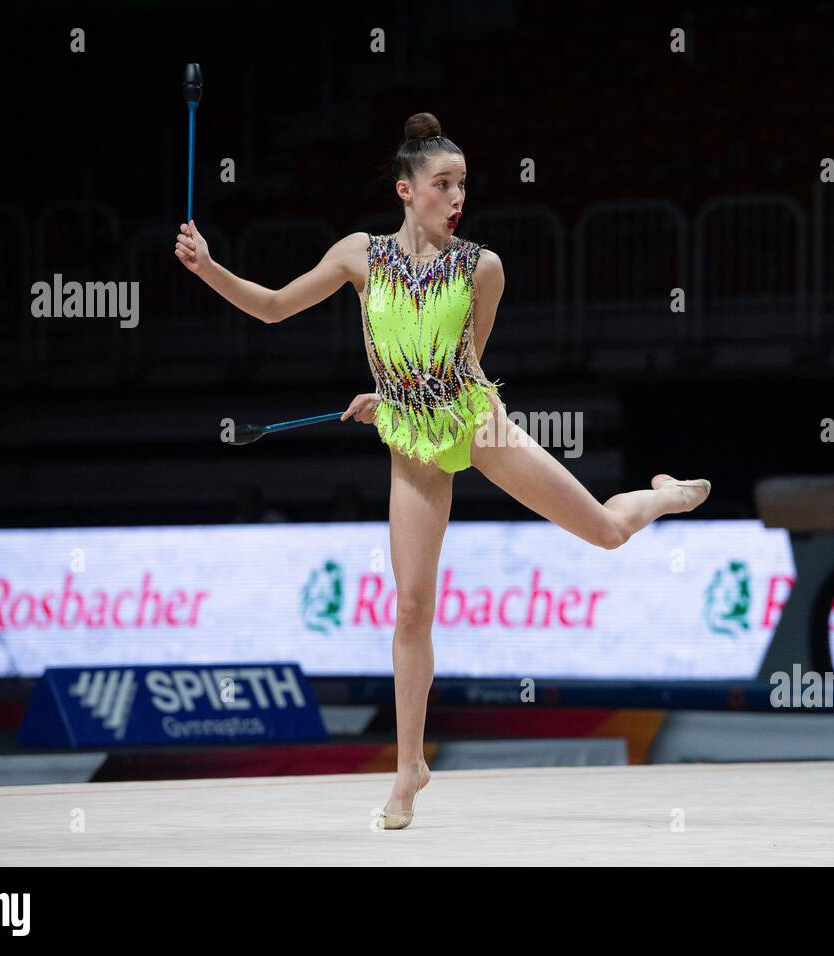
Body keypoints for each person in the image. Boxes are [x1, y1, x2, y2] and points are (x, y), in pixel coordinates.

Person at [174, 111, 711, 829]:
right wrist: (207, 266)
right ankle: (408, 770)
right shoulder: (359, 255)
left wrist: (402, 384)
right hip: (411, 446)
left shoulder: (482, 267)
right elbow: (272, 309)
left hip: (476, 422)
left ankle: (659, 498)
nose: (457, 197)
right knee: (411, 608)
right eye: (443, 184)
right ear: (405, 189)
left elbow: (465, 364)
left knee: (609, 532)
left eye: (463, 184)